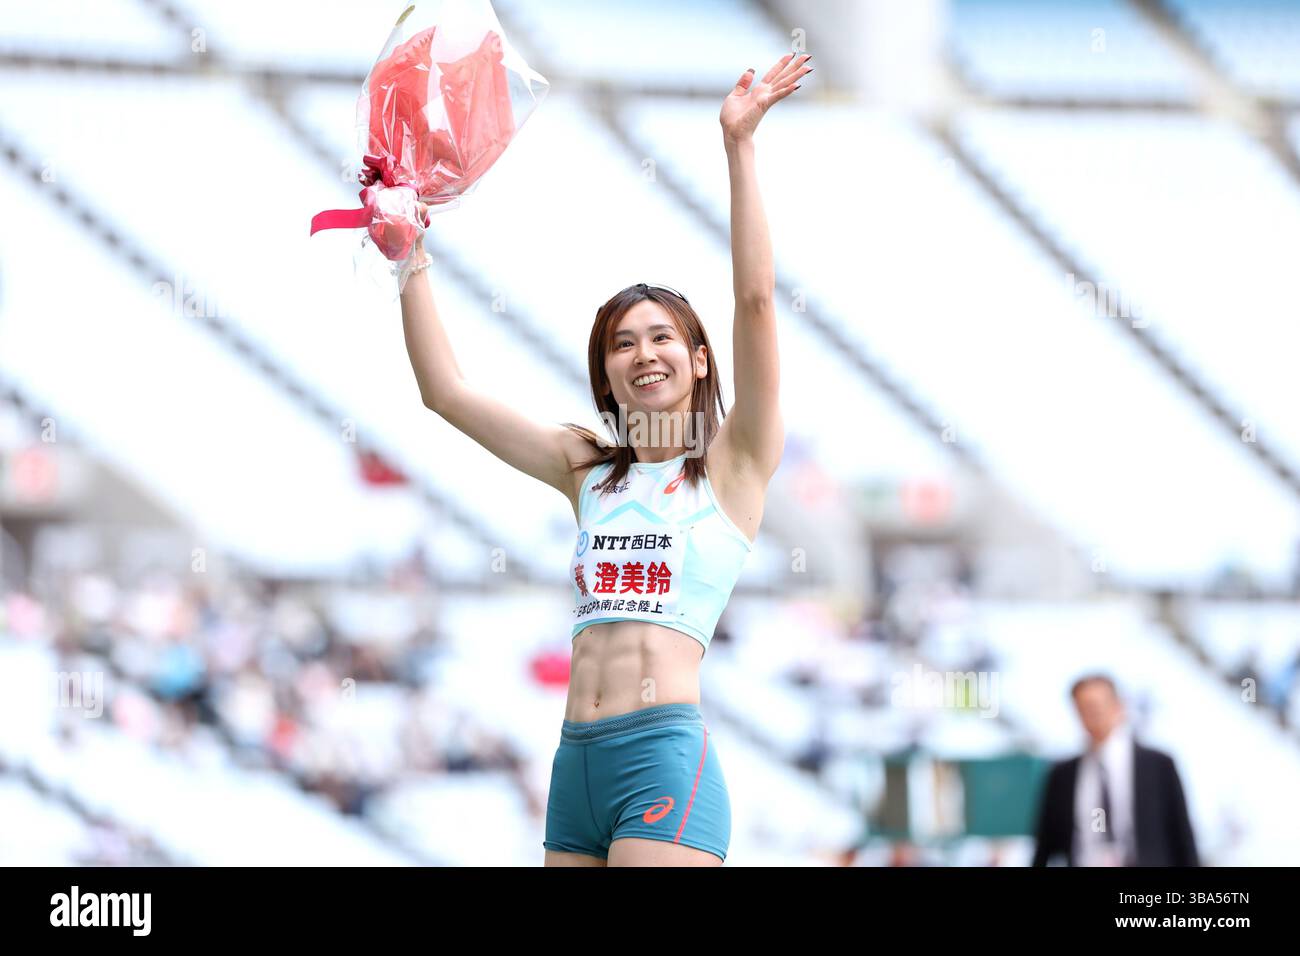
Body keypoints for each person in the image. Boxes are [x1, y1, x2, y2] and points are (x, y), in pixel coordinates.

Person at [399, 54, 812, 866]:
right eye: (623, 343)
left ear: (699, 360)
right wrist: (405, 251)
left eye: (663, 337)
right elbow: (443, 392)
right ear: (606, 372)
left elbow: (757, 301)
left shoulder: (734, 464)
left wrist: (739, 145)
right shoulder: (585, 468)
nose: (643, 353)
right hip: (573, 764)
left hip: (661, 758)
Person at [1031, 674, 1199, 866]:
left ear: (1119, 706)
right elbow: (1045, 844)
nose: (1093, 714)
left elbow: (1182, 837)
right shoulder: (1062, 775)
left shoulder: (1158, 766)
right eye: (1084, 708)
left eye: (1098, 706)